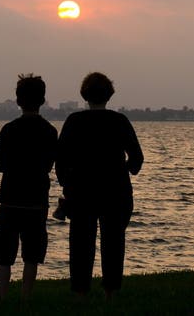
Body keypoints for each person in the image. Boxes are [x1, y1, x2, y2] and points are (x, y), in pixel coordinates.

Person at [56, 72, 143, 302]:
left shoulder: (74, 121)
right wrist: (126, 169)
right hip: (116, 190)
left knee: (81, 243)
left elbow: (61, 158)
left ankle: (81, 291)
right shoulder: (119, 121)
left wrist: (67, 183)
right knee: (114, 242)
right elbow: (137, 158)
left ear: (85, 95)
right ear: (109, 95)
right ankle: (111, 291)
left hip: (82, 191)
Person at [0, 74, 58, 302]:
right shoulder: (50, 131)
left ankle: (2, 297)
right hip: (37, 199)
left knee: (3, 252)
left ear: (18, 100)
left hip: (10, 198)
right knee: (32, 253)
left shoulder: (9, 130)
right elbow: (50, 163)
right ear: (43, 100)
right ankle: (26, 298)